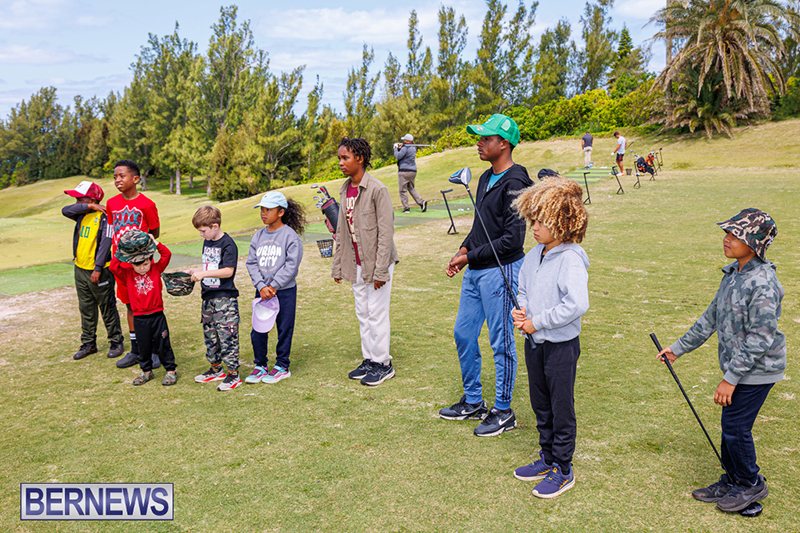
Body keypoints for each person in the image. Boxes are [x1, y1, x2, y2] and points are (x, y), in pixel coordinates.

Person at [656, 208, 784, 514]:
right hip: (739, 369)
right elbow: (710, 318)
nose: (726, 240)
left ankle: (750, 483)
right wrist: (678, 348)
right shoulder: (733, 276)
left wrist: (730, 378)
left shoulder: (763, 282)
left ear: (753, 243)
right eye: (726, 233)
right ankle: (733, 479)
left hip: (758, 370)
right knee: (731, 425)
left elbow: (761, 337)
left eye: (734, 235)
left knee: (736, 426)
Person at [440, 114, 533, 437]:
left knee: (501, 341)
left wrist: (468, 256)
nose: (478, 143)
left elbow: (512, 240)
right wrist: (463, 250)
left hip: (502, 270)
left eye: (485, 138)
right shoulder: (483, 178)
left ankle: (504, 410)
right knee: (463, 334)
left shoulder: (517, 182)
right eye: (478, 138)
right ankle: (474, 401)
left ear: (503, 143)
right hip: (477, 271)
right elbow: (481, 226)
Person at [509, 178, 589, 499]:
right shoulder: (533, 255)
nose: (534, 227)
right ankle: (547, 457)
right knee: (540, 403)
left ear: (562, 221)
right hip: (535, 344)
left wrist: (536, 322)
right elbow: (524, 289)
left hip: (561, 347)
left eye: (541, 221)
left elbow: (576, 304)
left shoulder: (571, 259)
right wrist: (522, 311)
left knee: (560, 407)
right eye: (532, 220)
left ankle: (563, 468)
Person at [332, 137, 400, 386]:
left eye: (345, 158)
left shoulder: (377, 189)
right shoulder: (344, 189)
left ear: (359, 158)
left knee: (377, 313)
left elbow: (386, 232)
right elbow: (341, 231)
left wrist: (381, 270)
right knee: (363, 312)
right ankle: (369, 359)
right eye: (339, 158)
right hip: (355, 263)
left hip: (377, 263)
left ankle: (383, 363)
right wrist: (338, 265)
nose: (340, 162)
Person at [245, 191, 306, 385]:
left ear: (280, 212)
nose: (263, 213)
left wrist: (274, 286)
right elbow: (251, 263)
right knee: (258, 329)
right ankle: (260, 364)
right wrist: (262, 286)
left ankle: (282, 366)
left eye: (268, 210)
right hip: (262, 291)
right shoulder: (258, 236)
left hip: (284, 291)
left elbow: (291, 265)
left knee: (284, 327)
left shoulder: (290, 236)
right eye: (262, 209)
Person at [106, 160, 161, 370]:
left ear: (135, 179)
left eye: (122, 176)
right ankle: (136, 350)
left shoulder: (147, 204)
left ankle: (154, 349)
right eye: (115, 177)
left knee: (148, 307)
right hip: (122, 267)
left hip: (142, 267)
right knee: (130, 306)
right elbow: (110, 233)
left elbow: (154, 233)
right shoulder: (111, 204)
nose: (117, 180)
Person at [61, 181, 124, 360]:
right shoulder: (82, 213)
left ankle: (116, 341)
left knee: (107, 308)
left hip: (99, 271)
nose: (77, 201)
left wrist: (97, 268)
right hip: (80, 269)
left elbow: (106, 243)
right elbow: (65, 210)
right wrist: (88, 205)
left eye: (80, 198)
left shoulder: (106, 216)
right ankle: (89, 344)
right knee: (86, 308)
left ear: (93, 198)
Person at [109, 229, 177, 386]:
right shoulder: (127, 274)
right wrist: (122, 250)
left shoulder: (156, 269)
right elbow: (113, 267)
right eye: (137, 265)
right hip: (139, 317)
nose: (142, 268)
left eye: (145, 264)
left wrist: (154, 242)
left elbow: (166, 254)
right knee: (143, 345)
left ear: (150, 260)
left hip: (157, 316)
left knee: (163, 344)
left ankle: (170, 371)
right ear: (131, 263)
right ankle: (146, 371)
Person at [188, 206, 242, 391]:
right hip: (208, 298)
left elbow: (227, 271)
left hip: (224, 300)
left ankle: (233, 375)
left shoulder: (228, 244)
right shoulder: (208, 242)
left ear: (215, 226)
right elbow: (210, 266)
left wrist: (203, 273)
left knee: (227, 337)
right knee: (211, 337)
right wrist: (196, 271)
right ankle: (215, 369)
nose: (201, 234)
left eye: (203, 230)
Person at [393, 133, 427, 214]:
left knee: (402, 190)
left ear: (407, 141)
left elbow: (398, 156)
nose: (403, 141)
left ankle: (406, 208)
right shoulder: (413, 148)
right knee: (411, 188)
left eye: (405, 140)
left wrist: (395, 148)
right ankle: (422, 202)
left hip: (404, 171)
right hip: (413, 171)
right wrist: (401, 148)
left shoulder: (405, 148)